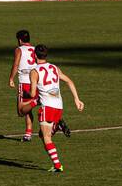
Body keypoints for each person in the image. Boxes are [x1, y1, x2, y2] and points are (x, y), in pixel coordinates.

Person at [25, 45, 85, 173]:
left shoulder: (34, 71)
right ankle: (56, 126)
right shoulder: (54, 67)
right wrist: (76, 99)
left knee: (46, 138)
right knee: (42, 134)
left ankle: (58, 166)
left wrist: (26, 94)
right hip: (59, 105)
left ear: (34, 55)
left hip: (47, 106)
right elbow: (69, 81)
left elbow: (32, 93)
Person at [9, 29, 37, 142]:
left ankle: (37, 102)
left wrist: (11, 78)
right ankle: (28, 133)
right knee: (27, 108)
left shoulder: (19, 49)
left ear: (20, 40)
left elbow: (16, 64)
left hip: (25, 82)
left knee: (21, 111)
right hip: (36, 81)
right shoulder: (36, 49)